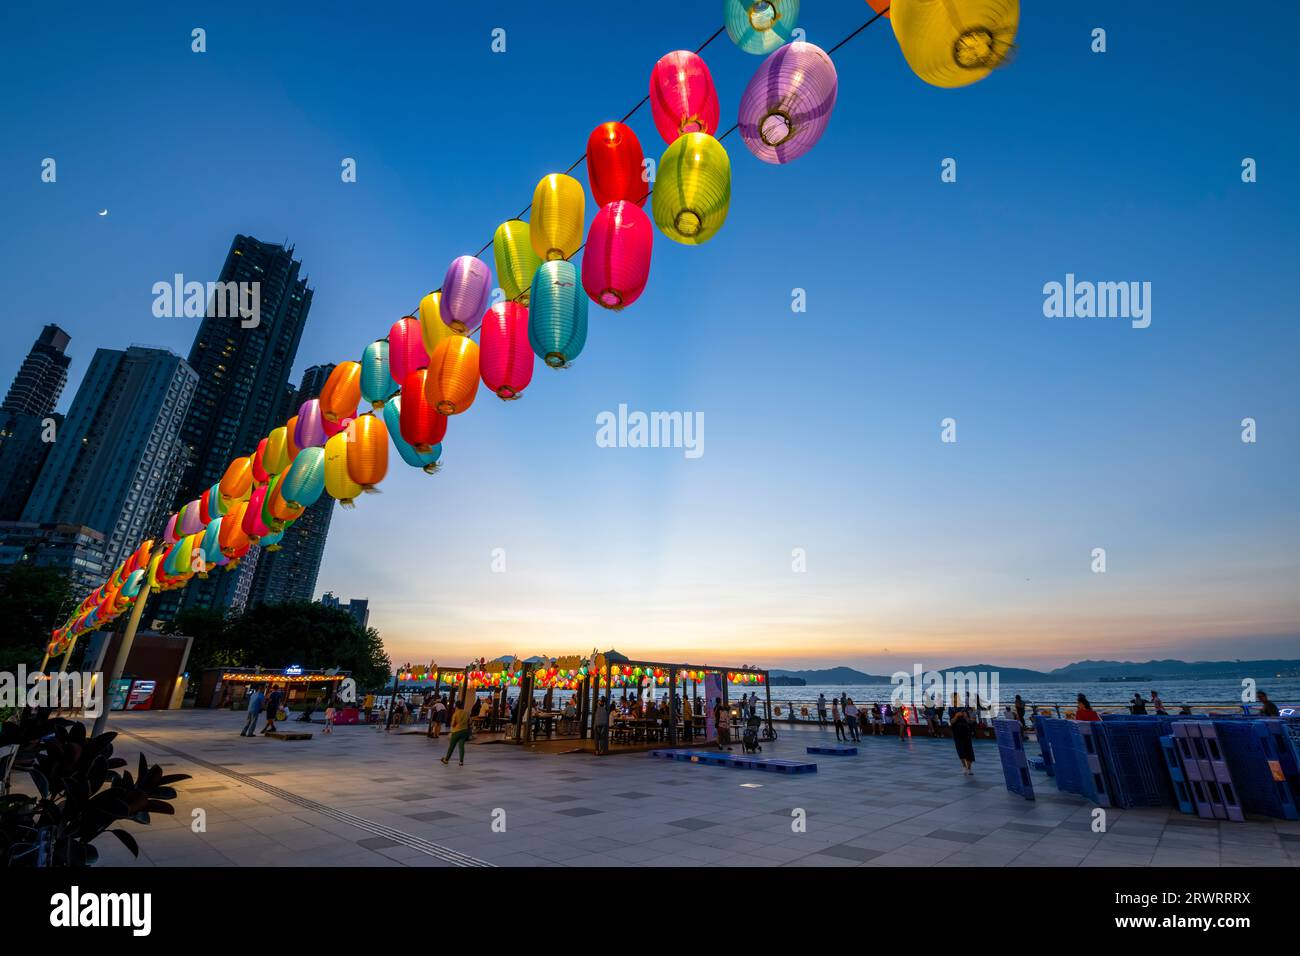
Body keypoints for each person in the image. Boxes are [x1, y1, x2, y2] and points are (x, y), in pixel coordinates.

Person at [441, 698, 472, 766]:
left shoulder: (456, 714)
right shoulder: (467, 713)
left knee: (452, 746)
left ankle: (446, 759)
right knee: (461, 746)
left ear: (456, 706)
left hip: (456, 731)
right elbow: (470, 722)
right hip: (464, 731)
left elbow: (452, 724)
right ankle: (461, 761)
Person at [951, 708, 976, 775]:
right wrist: (956, 716)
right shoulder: (952, 710)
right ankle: (964, 767)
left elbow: (972, 721)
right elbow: (951, 722)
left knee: (969, 751)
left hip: (967, 734)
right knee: (961, 751)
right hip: (957, 734)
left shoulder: (968, 709)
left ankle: (969, 769)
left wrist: (966, 717)